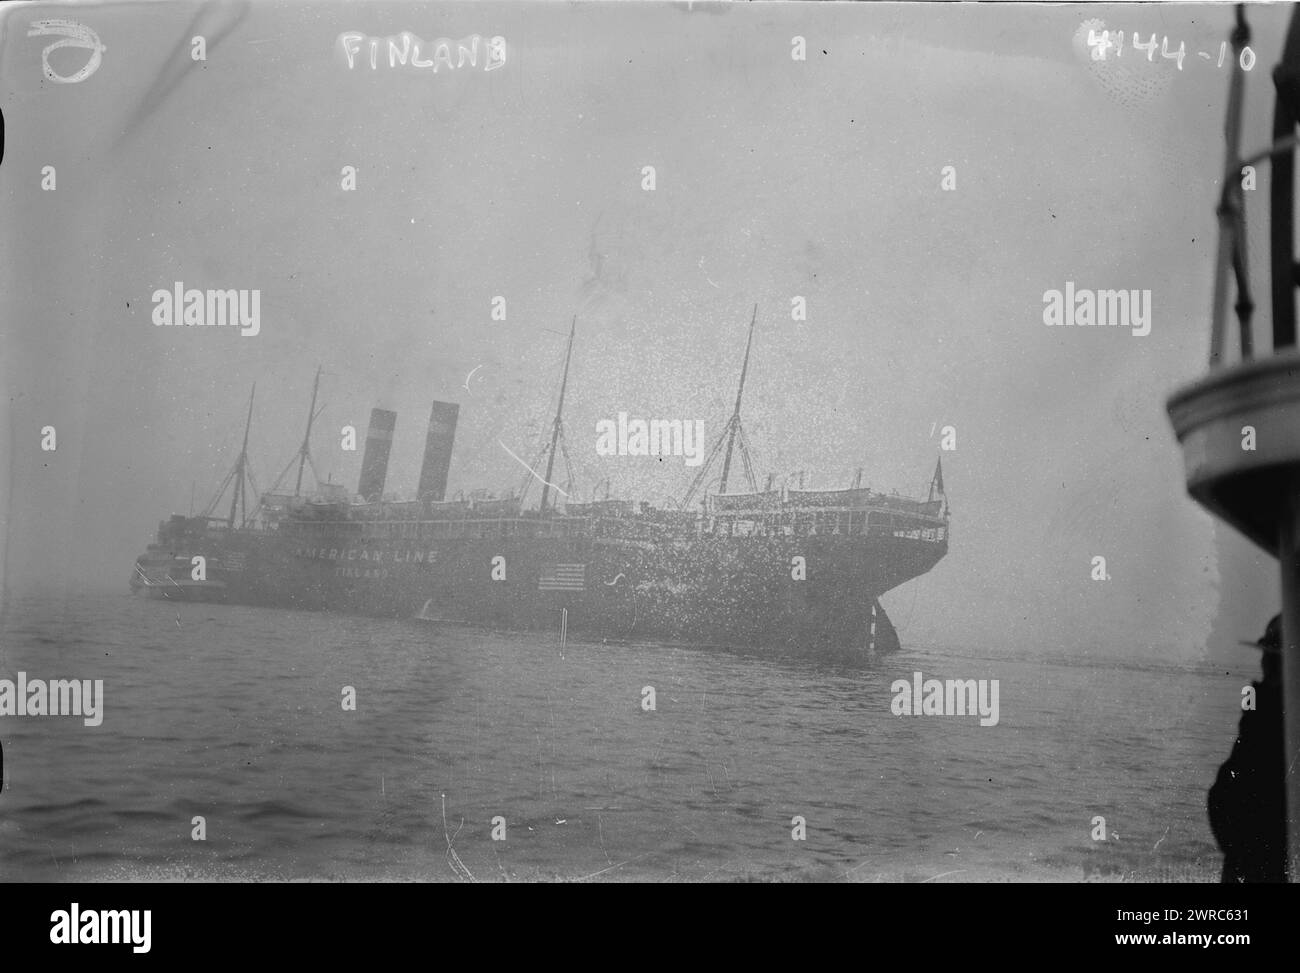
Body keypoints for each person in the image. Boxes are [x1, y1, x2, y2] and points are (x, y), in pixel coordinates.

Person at [1207, 614, 1287, 883]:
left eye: (1268, 656)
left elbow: (1226, 791)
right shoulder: (1264, 710)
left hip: (1253, 859)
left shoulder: (1262, 714)